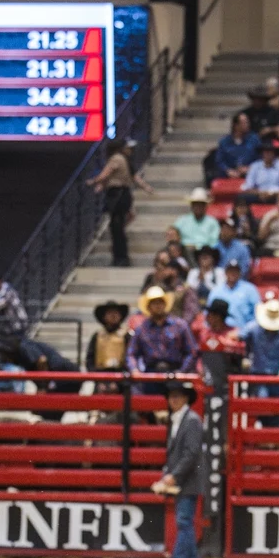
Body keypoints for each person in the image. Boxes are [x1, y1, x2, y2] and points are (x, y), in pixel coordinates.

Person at [153, 381, 203, 558]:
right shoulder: (183, 419)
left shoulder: (190, 421)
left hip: (186, 479)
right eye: (171, 396)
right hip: (185, 478)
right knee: (185, 521)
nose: (173, 400)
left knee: (183, 520)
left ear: (185, 399)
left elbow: (190, 454)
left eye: (177, 396)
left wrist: (173, 475)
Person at [86, 138, 154, 266]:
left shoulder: (116, 159)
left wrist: (94, 181)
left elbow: (106, 174)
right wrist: (146, 188)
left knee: (117, 228)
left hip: (117, 195)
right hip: (123, 195)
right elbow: (133, 177)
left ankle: (121, 257)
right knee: (117, 227)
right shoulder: (125, 160)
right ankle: (120, 256)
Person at [242, 299, 279, 428]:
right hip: (258, 375)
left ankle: (272, 437)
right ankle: (262, 438)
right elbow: (237, 338)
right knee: (260, 404)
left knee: (276, 408)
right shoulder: (252, 329)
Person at [126, 287, 197, 391]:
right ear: (149, 307)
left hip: (174, 373)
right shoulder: (142, 328)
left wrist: (182, 371)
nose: (158, 305)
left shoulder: (180, 325)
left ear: (165, 304)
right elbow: (131, 353)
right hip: (150, 374)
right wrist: (134, 370)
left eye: (160, 302)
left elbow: (192, 351)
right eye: (154, 303)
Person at [206, 259, 262, 328]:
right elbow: (208, 315)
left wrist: (243, 332)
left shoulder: (250, 289)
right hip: (219, 332)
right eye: (230, 271)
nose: (233, 273)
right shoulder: (216, 291)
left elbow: (260, 315)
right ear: (225, 272)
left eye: (235, 271)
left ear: (240, 273)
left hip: (243, 333)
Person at [85, 300, 130, 372]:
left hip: (120, 376)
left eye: (116, 313)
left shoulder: (126, 335)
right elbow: (90, 359)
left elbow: (130, 358)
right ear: (104, 316)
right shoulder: (97, 335)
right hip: (100, 375)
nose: (113, 315)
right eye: (110, 313)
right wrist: (97, 378)